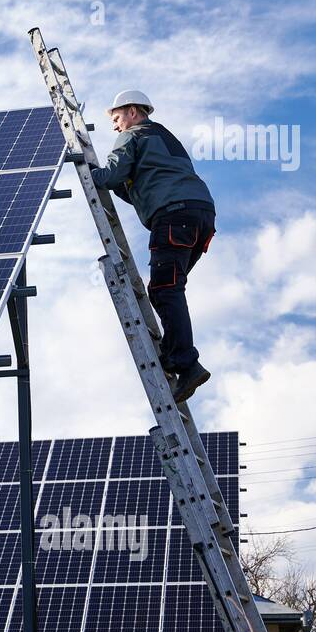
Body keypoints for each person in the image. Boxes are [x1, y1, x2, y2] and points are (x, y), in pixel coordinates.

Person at [89, 90, 215, 403]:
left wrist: (87, 169)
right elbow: (133, 187)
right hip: (200, 216)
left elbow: (110, 175)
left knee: (166, 289)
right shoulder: (164, 138)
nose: (115, 126)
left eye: (116, 118)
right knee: (167, 288)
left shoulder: (133, 135)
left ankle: (186, 363)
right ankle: (174, 355)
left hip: (173, 216)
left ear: (132, 111)